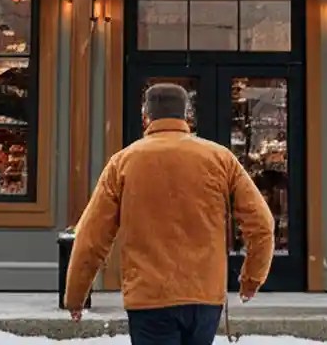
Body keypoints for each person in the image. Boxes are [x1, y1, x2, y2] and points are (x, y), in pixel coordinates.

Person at [64, 82, 275, 345]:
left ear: (146, 116)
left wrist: (76, 294)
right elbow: (262, 224)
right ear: (186, 115)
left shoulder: (123, 163)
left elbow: (92, 236)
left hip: (149, 296)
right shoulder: (220, 158)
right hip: (204, 296)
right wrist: (251, 278)